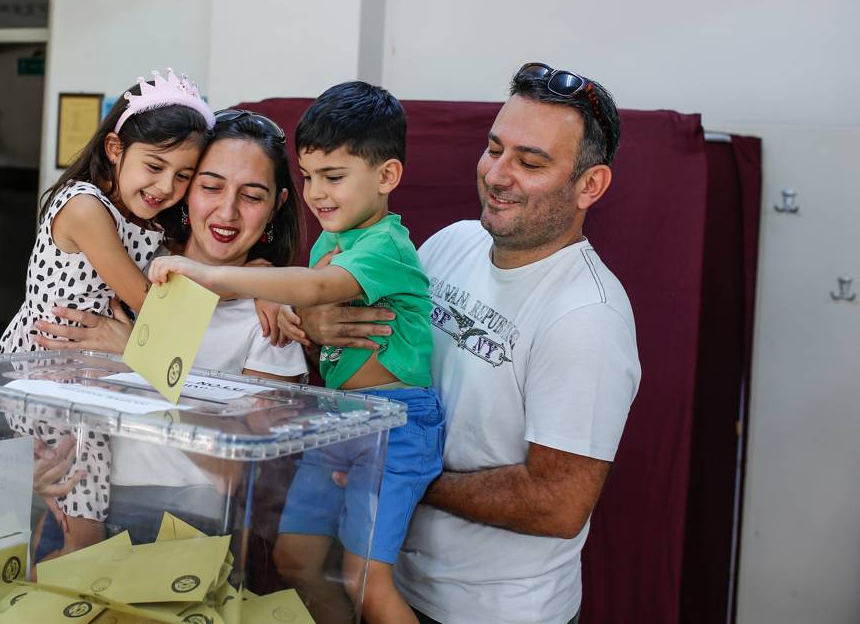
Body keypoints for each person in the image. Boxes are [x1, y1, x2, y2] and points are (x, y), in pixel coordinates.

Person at [281, 63, 642, 624]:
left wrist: (400, 475)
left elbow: (558, 504)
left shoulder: (587, 315)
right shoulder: (452, 242)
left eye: (530, 162)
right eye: (494, 149)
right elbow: (375, 355)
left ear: (589, 186)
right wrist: (316, 325)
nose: (498, 175)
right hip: (399, 582)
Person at [150, 81, 444, 624]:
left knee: (365, 579)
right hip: (342, 422)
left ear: (388, 176)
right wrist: (270, 290)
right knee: (296, 560)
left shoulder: (386, 246)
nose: (318, 192)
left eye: (333, 177)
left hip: (396, 422)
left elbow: (312, 290)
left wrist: (213, 274)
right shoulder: (331, 243)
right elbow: (306, 297)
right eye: (309, 177)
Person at [32, 108, 309, 543]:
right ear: (185, 188)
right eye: (210, 186)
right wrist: (34, 457)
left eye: (252, 196)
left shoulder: (268, 322)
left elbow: (238, 471)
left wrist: (141, 360)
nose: (228, 211)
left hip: (178, 522)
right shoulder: (132, 262)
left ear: (277, 205)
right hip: (76, 493)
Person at [0, 68, 214, 553]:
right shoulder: (86, 207)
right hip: (51, 375)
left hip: (85, 377)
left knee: (67, 520)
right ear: (115, 150)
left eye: (183, 176)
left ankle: (43, 593)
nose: (166, 186)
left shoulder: (147, 221)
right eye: (154, 165)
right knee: (84, 530)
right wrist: (250, 290)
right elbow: (147, 304)